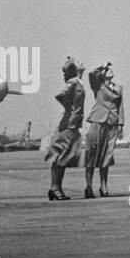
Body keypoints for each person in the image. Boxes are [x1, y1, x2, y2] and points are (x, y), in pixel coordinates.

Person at [44, 58, 85, 200]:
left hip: (71, 124)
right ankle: (55, 188)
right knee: (61, 157)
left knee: (63, 157)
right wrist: (70, 107)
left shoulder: (78, 82)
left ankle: (56, 188)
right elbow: (60, 94)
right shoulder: (74, 81)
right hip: (68, 124)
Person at [83, 63, 124, 198]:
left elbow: (121, 106)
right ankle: (88, 187)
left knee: (107, 156)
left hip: (112, 123)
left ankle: (103, 186)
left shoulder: (118, 88)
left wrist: (121, 124)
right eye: (107, 70)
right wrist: (102, 66)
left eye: (111, 69)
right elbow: (91, 74)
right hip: (97, 121)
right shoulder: (98, 85)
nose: (110, 70)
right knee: (92, 154)